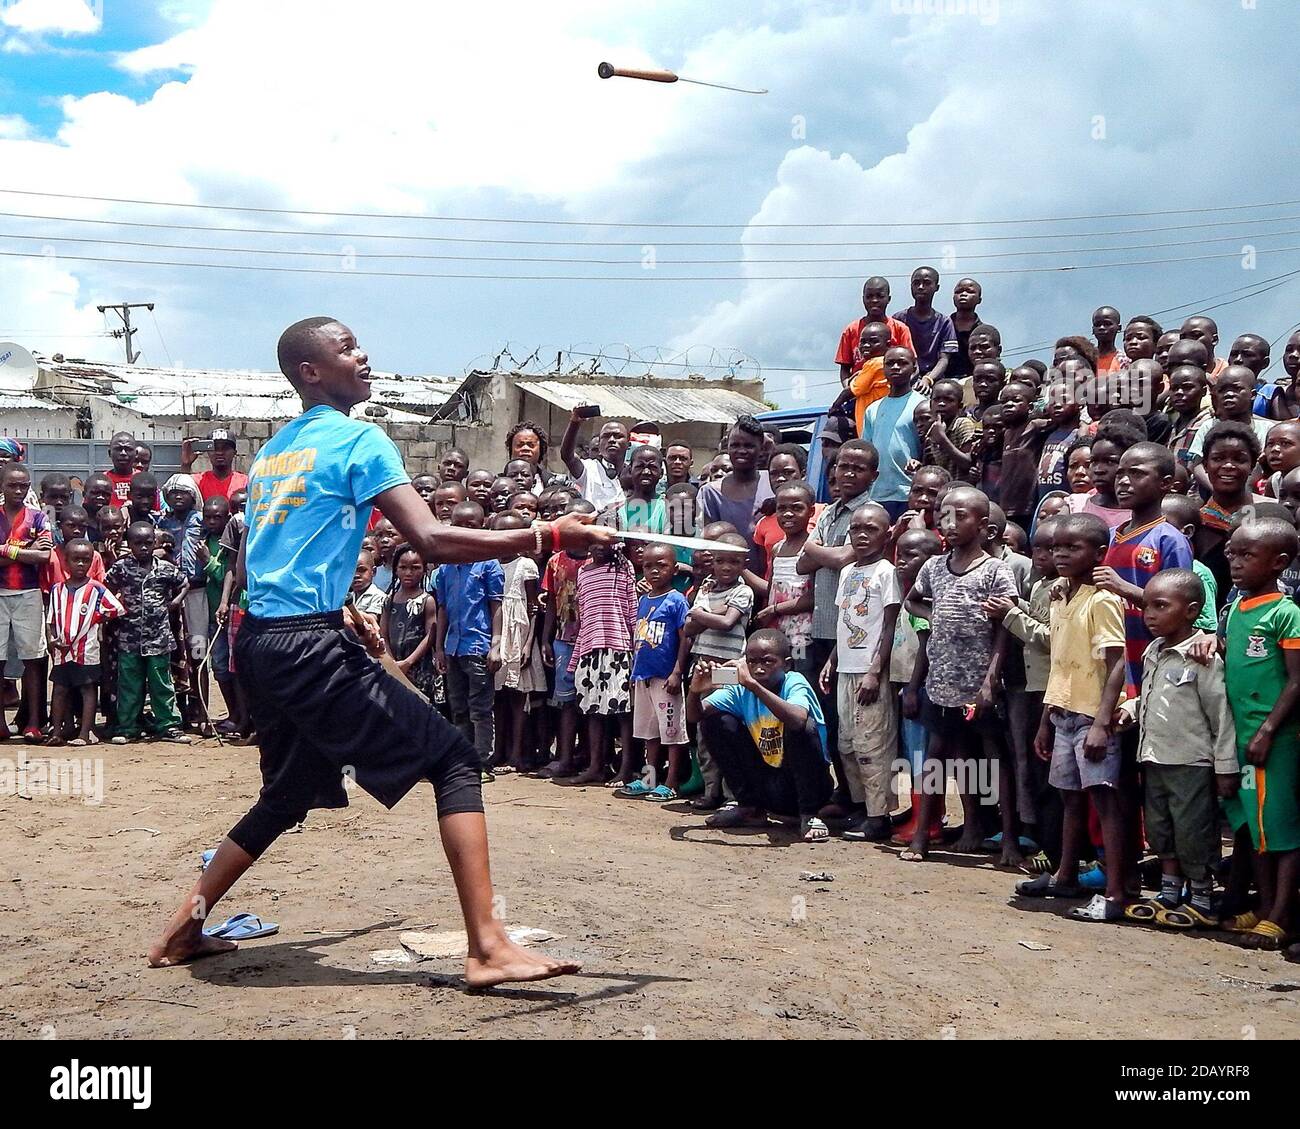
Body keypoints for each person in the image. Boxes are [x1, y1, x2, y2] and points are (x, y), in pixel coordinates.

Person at [148, 317, 609, 984]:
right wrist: (544, 537)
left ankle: (181, 928)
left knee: (288, 793)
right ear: (311, 371)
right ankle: (487, 946)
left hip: (263, 641)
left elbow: (277, 552)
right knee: (453, 758)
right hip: (307, 641)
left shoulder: (276, 453)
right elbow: (430, 540)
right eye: (347, 349)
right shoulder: (361, 440)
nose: (364, 357)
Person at [1015, 513, 1127, 922]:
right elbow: (1060, 663)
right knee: (1069, 798)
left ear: (1098, 553)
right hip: (1062, 711)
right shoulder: (1060, 596)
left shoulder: (1103, 600)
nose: (1060, 554)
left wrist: (1101, 722)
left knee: (1104, 802)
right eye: (1056, 546)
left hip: (1092, 716)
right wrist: (1046, 718)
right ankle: (1065, 874)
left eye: (1072, 547)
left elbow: (1117, 664)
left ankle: (1115, 893)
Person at [902, 486, 1017, 861]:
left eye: (960, 517)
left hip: (978, 681)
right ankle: (925, 834)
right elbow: (913, 601)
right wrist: (932, 616)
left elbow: (1004, 629)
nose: (949, 525)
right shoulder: (934, 566)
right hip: (942, 682)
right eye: (944, 516)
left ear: (983, 526)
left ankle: (1009, 840)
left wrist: (991, 680)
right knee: (943, 754)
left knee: (994, 757)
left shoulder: (996, 570)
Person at [1122, 569, 1234, 928]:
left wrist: (1225, 765)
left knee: (1194, 831)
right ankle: (1169, 892)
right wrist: (1128, 710)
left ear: (1190, 610)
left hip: (1191, 761)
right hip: (1154, 756)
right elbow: (1153, 698)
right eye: (1146, 606)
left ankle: (1201, 896)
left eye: (1160, 606)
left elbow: (1220, 714)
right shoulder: (1155, 650)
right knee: (1161, 827)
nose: (1149, 615)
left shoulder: (1203, 657)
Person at [1220, 518, 1300, 950]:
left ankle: (1282, 913)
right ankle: (1265, 906)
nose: (1235, 562)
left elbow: (1296, 680)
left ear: (1278, 563)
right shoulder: (1235, 609)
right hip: (1239, 736)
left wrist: (1269, 729)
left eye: (1247, 555)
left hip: (1273, 740)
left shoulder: (1286, 614)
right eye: (1232, 553)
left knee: (1281, 828)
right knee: (1253, 826)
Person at [688, 628, 833, 843]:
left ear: (787, 664)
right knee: (714, 722)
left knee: (803, 728)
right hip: (770, 786)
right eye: (752, 662)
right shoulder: (739, 688)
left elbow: (798, 720)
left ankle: (809, 815)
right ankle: (749, 808)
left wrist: (753, 686)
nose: (758, 669)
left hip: (808, 786)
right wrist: (695, 690)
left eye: (767, 662)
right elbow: (695, 716)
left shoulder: (794, 682)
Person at [819, 503, 901, 841]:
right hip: (846, 669)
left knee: (873, 745)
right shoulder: (849, 571)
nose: (862, 535)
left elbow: (889, 625)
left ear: (887, 534)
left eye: (871, 529)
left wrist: (874, 671)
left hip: (870, 673)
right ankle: (860, 808)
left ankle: (879, 817)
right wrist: (832, 660)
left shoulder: (886, 571)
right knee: (848, 744)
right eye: (856, 529)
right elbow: (845, 622)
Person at [557, 536, 638, 787]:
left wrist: (637, 649)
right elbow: (584, 614)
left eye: (603, 543)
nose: (598, 547)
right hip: (590, 647)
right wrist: (577, 655)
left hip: (619, 645)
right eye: (592, 543)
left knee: (623, 712)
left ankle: (626, 769)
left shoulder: (622, 568)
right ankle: (595, 767)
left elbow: (632, 609)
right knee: (593, 711)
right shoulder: (583, 572)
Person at [433, 500, 504, 780]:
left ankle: (482, 762)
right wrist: (439, 648)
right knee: (458, 707)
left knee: (480, 708)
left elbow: (496, 605)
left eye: (470, 526)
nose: (464, 531)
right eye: (458, 525)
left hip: (478, 646)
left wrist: (496, 644)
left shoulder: (489, 565)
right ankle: (463, 760)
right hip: (452, 647)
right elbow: (442, 609)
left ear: (482, 526)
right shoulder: (445, 568)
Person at [104, 521, 190, 745]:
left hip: (158, 638)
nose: (143, 547)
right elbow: (106, 588)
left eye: (148, 543)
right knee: (130, 685)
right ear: (129, 544)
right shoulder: (122, 568)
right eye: (138, 543)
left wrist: (176, 602)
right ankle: (128, 727)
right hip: (129, 638)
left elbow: (184, 583)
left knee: (161, 684)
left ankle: (168, 726)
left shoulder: (164, 567)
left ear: (155, 543)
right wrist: (115, 608)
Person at [618, 542, 690, 801]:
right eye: (648, 566)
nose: (654, 571)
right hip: (643, 677)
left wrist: (677, 672)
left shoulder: (677, 600)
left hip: (665, 677)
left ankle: (670, 783)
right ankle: (649, 779)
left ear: (674, 568)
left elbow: (685, 639)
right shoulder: (643, 600)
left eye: (661, 565)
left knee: (671, 733)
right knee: (649, 733)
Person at [45, 538, 125, 747]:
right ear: (66, 561)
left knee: (87, 689)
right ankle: (57, 731)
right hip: (63, 651)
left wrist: (96, 617)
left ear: (92, 562)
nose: (80, 564)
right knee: (60, 689)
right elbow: (51, 619)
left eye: (85, 560)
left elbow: (117, 608)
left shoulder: (96, 589)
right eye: (76, 560)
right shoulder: (57, 589)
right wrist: (53, 640)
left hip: (87, 649)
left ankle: (85, 733)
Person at [540, 498, 594, 779]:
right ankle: (564, 757)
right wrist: (546, 639)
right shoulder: (555, 561)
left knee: (593, 703)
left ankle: (591, 758)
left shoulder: (601, 559)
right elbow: (550, 602)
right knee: (566, 702)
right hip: (564, 639)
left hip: (595, 642)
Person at [0, 462, 52, 741]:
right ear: (2, 486)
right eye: (12, 485)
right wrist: (24, 550)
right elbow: (34, 553)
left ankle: (33, 722)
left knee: (33, 658)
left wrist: (5, 549)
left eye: (23, 486)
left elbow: (44, 556)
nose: (18, 490)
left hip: (29, 593)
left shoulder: (38, 517)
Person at [490, 512, 545, 773]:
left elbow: (534, 608)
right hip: (495, 633)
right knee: (497, 697)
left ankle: (516, 754)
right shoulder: (488, 563)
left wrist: (526, 645)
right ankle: (497, 750)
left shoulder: (526, 566)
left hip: (518, 633)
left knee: (518, 696)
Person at [753, 481, 816, 680]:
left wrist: (774, 610)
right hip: (776, 638)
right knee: (776, 683)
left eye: (797, 508)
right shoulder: (777, 549)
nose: (788, 514)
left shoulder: (813, 548)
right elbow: (773, 590)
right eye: (782, 509)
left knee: (800, 679)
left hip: (802, 638)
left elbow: (812, 598)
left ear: (811, 511)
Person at [695, 416, 773, 574]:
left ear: (761, 447)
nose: (741, 451)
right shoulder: (710, 493)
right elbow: (707, 543)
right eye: (735, 445)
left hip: (768, 582)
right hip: (728, 585)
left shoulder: (772, 483)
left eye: (749, 445)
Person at [860, 347, 926, 522]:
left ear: (914, 367)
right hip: (877, 495)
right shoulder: (873, 409)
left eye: (902, 363)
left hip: (910, 494)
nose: (895, 367)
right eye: (890, 363)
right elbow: (866, 454)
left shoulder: (922, 405)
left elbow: (929, 447)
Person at [381, 542, 438, 704]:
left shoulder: (427, 601)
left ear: (424, 569)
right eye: (403, 567)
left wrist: (408, 662)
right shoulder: (389, 601)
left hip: (419, 667)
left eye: (415, 568)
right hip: (393, 666)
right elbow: (383, 634)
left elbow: (430, 635)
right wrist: (391, 663)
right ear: (396, 569)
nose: (408, 572)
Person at [835, 276, 916, 385]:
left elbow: (913, 365)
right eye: (869, 296)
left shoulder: (900, 329)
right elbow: (845, 368)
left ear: (888, 299)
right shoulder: (851, 330)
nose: (874, 300)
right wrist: (849, 389)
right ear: (863, 298)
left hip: (892, 390)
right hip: (860, 391)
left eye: (880, 296)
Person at [894, 266, 958, 391]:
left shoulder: (944, 322)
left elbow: (944, 359)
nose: (921, 287)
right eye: (916, 283)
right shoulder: (898, 319)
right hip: (904, 379)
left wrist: (928, 379)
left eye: (927, 283)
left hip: (933, 380)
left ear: (936, 287)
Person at [560, 406, 629, 518]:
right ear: (600, 444)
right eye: (606, 437)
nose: (611, 440)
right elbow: (567, 456)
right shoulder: (589, 469)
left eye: (618, 436)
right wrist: (575, 423)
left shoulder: (634, 472)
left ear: (628, 444)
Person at [830, 320, 890, 435]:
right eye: (863, 342)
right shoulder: (882, 364)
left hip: (872, 426)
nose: (866, 346)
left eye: (874, 342)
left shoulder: (875, 363)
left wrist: (835, 406)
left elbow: (851, 391)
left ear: (887, 344)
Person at [182, 430, 249, 503]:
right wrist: (186, 465)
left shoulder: (245, 482)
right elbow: (182, 493)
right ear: (208, 452)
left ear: (234, 453)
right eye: (214, 448)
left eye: (225, 448)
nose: (219, 452)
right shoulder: (198, 481)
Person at [948, 277, 982, 381]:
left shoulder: (983, 332)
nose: (963, 294)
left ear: (979, 300)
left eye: (970, 291)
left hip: (974, 383)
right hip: (944, 383)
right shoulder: (942, 327)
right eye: (958, 291)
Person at [504, 421, 553, 491]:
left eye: (531, 445)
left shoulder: (555, 483)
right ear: (511, 449)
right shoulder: (495, 482)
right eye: (520, 445)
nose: (525, 449)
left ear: (541, 449)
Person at [1180, 315, 1226, 380]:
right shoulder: (1173, 377)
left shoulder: (1229, 374)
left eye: (1196, 335)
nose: (1188, 341)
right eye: (1183, 338)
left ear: (1214, 340)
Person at [104, 432, 138, 506]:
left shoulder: (144, 480)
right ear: (110, 453)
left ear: (136, 453)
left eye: (128, 449)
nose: (123, 453)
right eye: (118, 449)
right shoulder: (101, 480)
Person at [1092, 306, 1126, 374]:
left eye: (1107, 324)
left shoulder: (1124, 361)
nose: (1101, 328)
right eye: (1097, 324)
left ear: (1119, 328)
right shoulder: (1086, 359)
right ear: (1093, 329)